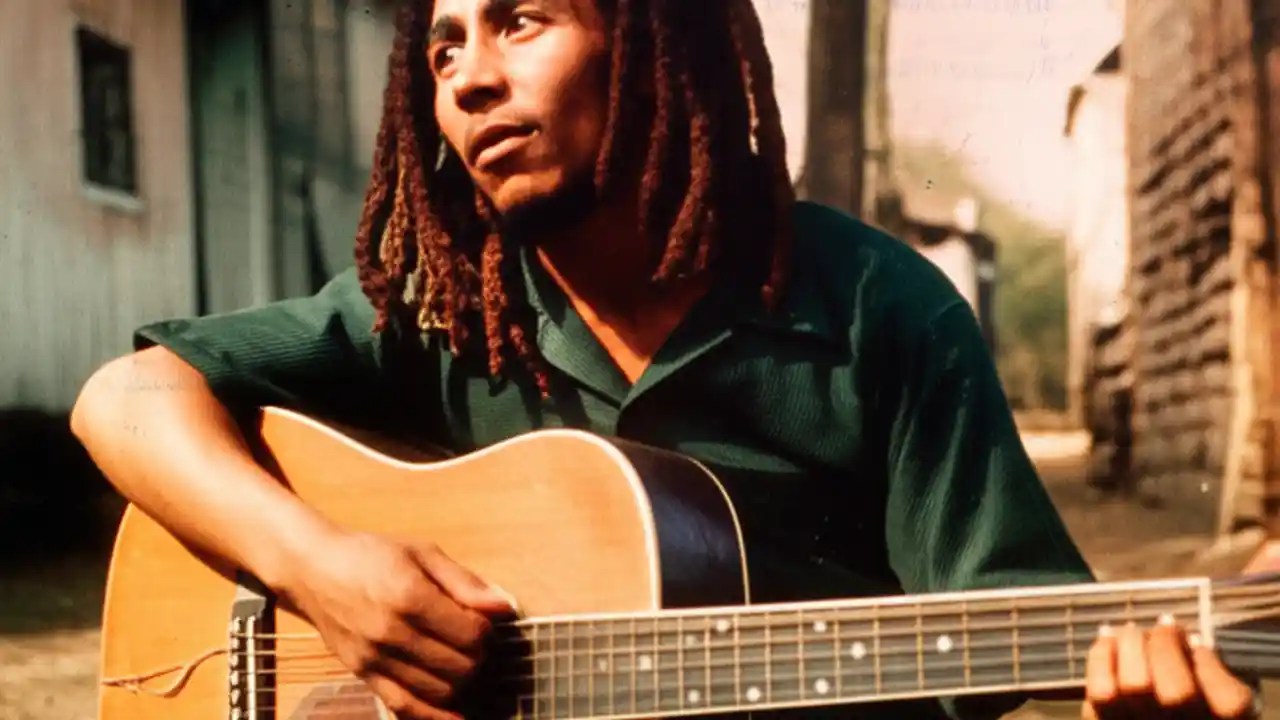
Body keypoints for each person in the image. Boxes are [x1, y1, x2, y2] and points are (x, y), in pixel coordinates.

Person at [69, 1, 1260, 718]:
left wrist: (1152, 668)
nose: (468, 74)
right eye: (440, 48)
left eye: (520, 20)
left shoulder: (878, 313)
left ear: (655, 39)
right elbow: (125, 399)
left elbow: (1012, 620)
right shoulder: (445, 307)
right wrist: (322, 572)